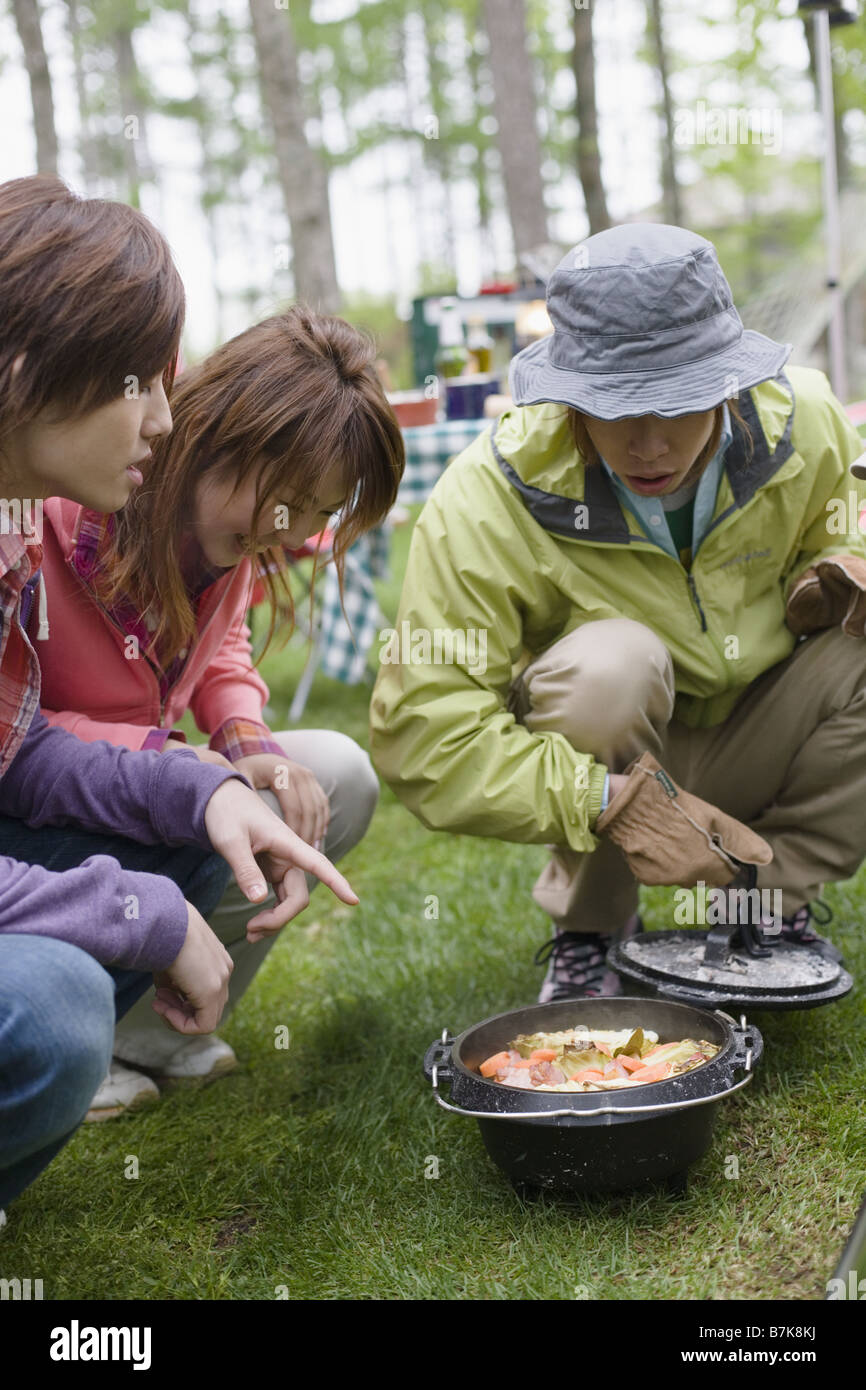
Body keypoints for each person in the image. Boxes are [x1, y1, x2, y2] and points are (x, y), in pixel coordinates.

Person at [370, 222, 866, 1002]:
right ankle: (594, 930)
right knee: (611, 670)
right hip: (617, 750)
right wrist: (606, 801)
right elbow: (425, 731)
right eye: (611, 405)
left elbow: (842, 512)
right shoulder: (488, 494)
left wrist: (835, 566)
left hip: (768, 722)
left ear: (729, 381)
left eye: (677, 400)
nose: (647, 442)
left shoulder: (803, 418)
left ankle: (766, 905)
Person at [0, 176, 357, 1215]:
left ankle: (141, 1038)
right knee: (52, 1010)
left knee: (233, 807)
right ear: (25, 369)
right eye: (137, 384)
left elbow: (20, 751)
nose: (166, 413)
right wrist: (138, 905)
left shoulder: (10, 526)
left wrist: (210, 777)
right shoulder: (64, 520)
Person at [30, 306, 404, 1116]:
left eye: (320, 513)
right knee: (199, 799)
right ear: (226, 438)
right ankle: (64, 1024)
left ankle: (149, 1025)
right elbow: (19, 737)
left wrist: (247, 742)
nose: (295, 532)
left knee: (331, 774)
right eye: (292, 501)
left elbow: (223, 649)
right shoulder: (59, 508)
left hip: (135, 780)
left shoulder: (224, 536)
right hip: (41, 810)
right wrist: (168, 762)